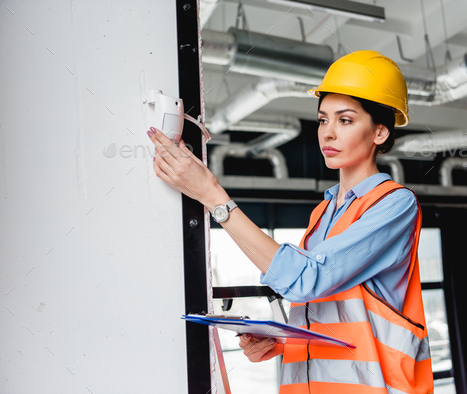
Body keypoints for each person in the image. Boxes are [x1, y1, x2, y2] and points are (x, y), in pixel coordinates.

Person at [147, 50, 434, 394]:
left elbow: (306, 281)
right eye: (323, 120)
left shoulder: (394, 204)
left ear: (379, 133)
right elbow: (332, 312)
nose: (327, 133)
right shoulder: (323, 212)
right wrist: (281, 342)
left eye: (345, 120)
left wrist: (213, 196)